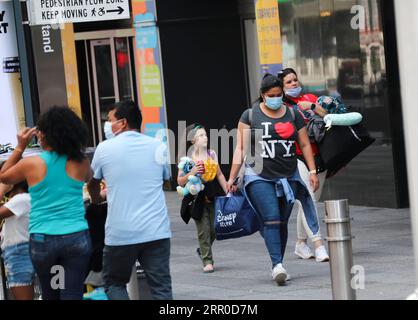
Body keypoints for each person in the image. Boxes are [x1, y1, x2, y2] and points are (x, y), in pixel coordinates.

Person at [227, 74, 321, 285]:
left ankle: (278, 260)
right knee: (271, 217)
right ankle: (277, 265)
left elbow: (305, 144)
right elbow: (241, 148)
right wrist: (231, 177)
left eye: (279, 95)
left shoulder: (293, 113)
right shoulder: (250, 115)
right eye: (271, 95)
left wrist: (312, 172)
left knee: (281, 222)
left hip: (288, 176)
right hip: (258, 175)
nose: (276, 98)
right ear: (263, 95)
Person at [0, 106, 92, 300]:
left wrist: (20, 147)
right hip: (75, 237)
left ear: (43, 135)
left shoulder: (33, 163)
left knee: (52, 294)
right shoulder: (81, 161)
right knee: (72, 292)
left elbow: (4, 176)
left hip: (44, 240)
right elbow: (88, 179)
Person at [87, 100, 172, 300]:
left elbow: (92, 183)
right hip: (156, 231)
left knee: (114, 283)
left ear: (123, 122)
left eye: (110, 120)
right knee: (161, 289)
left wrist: (97, 198)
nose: (108, 125)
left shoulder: (104, 148)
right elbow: (164, 179)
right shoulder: (157, 146)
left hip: (120, 234)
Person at [278, 68, 329, 262]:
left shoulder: (309, 97)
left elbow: (326, 115)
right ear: (282, 88)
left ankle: (300, 243)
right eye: (289, 82)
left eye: (295, 80)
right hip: (296, 157)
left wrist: (313, 106)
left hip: (319, 156)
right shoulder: (283, 106)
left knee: (309, 201)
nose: (294, 84)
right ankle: (318, 245)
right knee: (309, 199)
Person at [177, 124, 228, 273]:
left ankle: (202, 249)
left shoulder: (211, 154)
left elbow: (219, 174)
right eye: (200, 135)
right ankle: (207, 260)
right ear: (192, 140)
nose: (204, 137)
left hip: (211, 194)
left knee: (214, 229)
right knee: (203, 230)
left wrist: (228, 192)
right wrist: (191, 172)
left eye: (205, 134)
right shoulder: (187, 159)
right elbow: (180, 181)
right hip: (195, 198)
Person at [0, 180, 35, 300]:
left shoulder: (20, 199)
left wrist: (2, 189)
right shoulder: (24, 200)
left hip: (20, 254)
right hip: (22, 252)